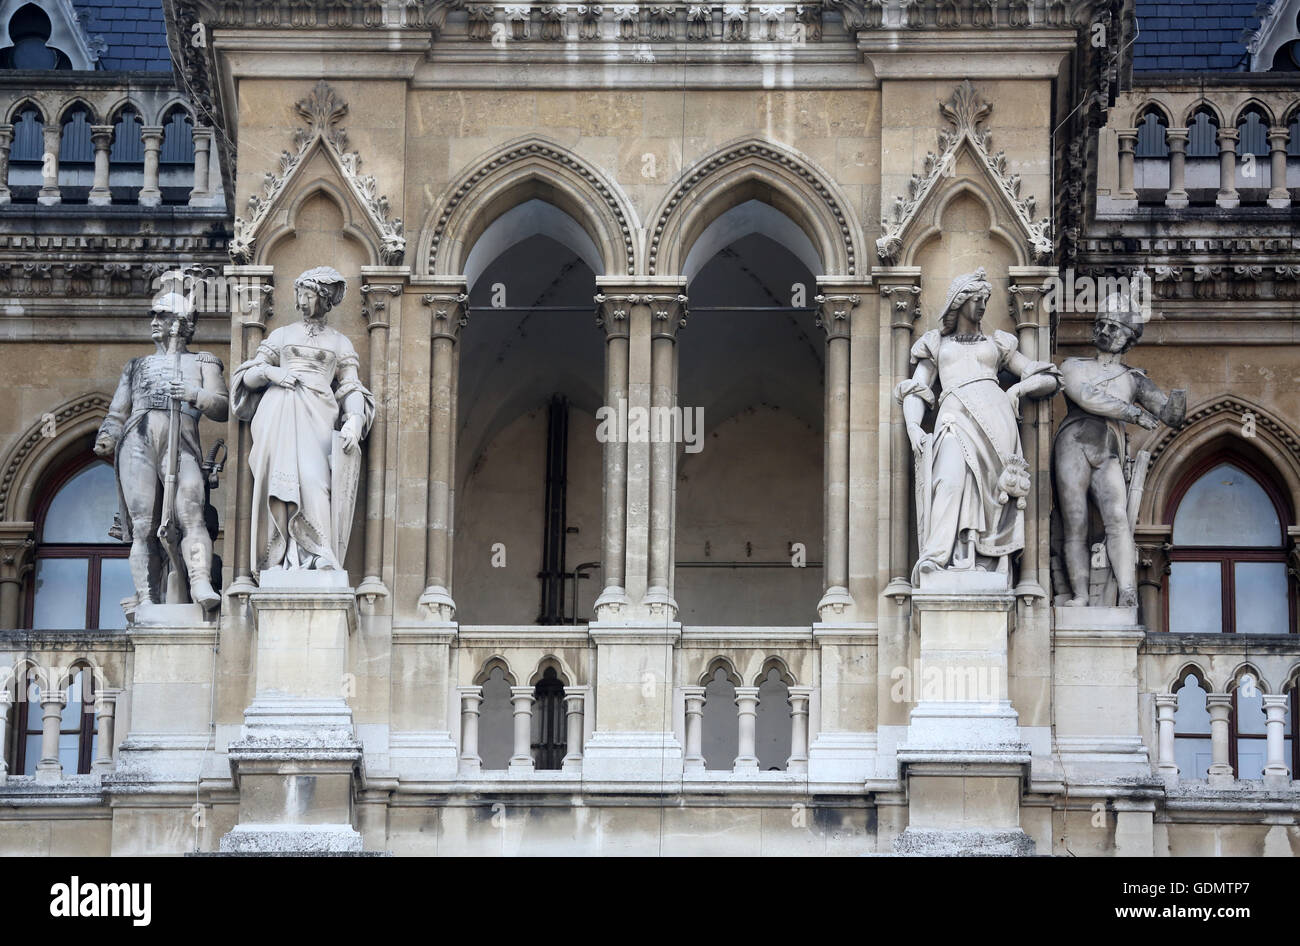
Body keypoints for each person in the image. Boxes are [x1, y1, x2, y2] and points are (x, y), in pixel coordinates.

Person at [895, 268, 1061, 581]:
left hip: (996, 421)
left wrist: (1017, 388)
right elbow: (917, 390)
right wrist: (914, 426)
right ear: (959, 303)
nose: (982, 306)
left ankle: (984, 563)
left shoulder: (998, 344)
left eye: (985, 299)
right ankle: (938, 557)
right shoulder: (936, 345)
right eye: (976, 299)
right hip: (953, 421)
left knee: (991, 495)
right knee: (950, 480)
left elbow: (1048, 378)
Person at [232, 266, 374, 575]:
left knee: (314, 481)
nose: (304, 301)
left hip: (319, 415)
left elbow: (350, 386)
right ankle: (283, 558)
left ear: (324, 300)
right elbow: (249, 375)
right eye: (301, 294)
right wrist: (273, 372)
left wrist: (355, 420)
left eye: (310, 295)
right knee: (282, 481)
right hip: (280, 412)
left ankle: (319, 553)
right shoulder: (282, 336)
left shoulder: (339, 343)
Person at [95, 291, 229, 611]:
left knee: (191, 508)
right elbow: (117, 412)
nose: (155, 322)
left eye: (163, 316)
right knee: (143, 524)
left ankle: (199, 581)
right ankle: (147, 596)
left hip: (180, 441)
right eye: (154, 316)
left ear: (180, 324)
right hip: (139, 439)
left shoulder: (202, 361)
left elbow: (223, 406)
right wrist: (108, 435)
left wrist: (193, 393)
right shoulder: (136, 365)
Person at [1052, 296, 1185, 607]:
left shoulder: (1135, 378)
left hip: (1109, 448)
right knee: (1075, 520)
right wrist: (1134, 413)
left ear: (1129, 339)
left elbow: (1168, 414)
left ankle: (1126, 591)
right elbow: (1085, 396)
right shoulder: (1073, 365)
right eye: (1101, 324)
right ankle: (1081, 595)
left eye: (1115, 327)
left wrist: (1178, 403)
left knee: (1117, 518)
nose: (1105, 330)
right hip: (1073, 441)